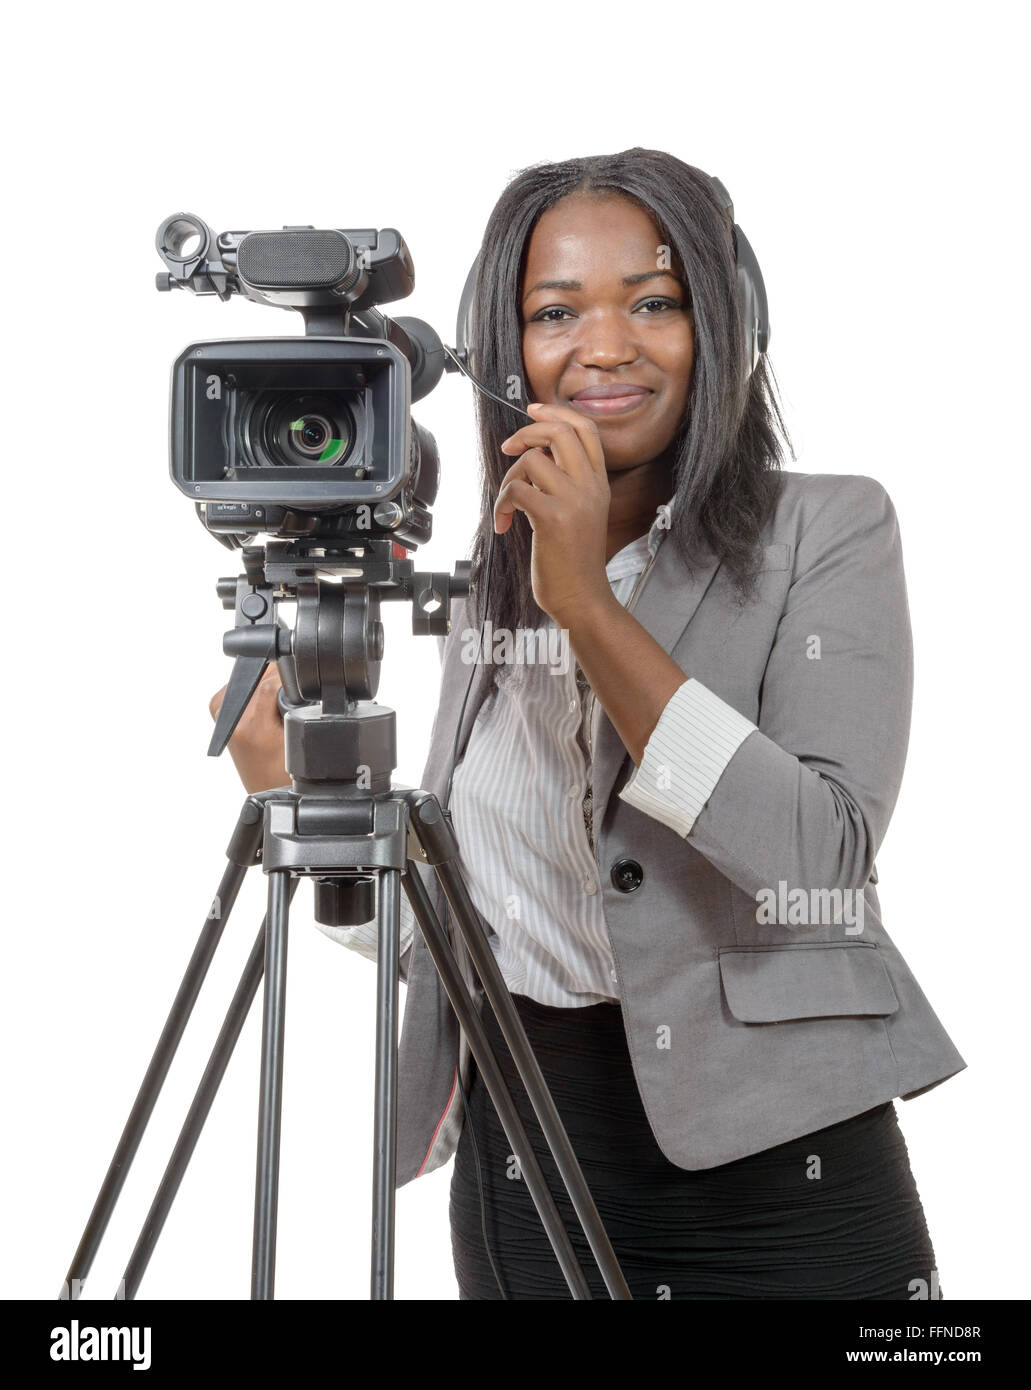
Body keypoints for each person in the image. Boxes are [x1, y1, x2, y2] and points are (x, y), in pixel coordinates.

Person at [210, 149, 966, 1301]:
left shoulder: (829, 530)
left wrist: (589, 606)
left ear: (723, 323)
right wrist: (284, 791)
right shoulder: (485, 578)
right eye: (553, 312)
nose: (604, 347)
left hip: (783, 1182)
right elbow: (462, 937)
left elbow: (818, 858)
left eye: (652, 303)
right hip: (528, 1166)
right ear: (500, 353)